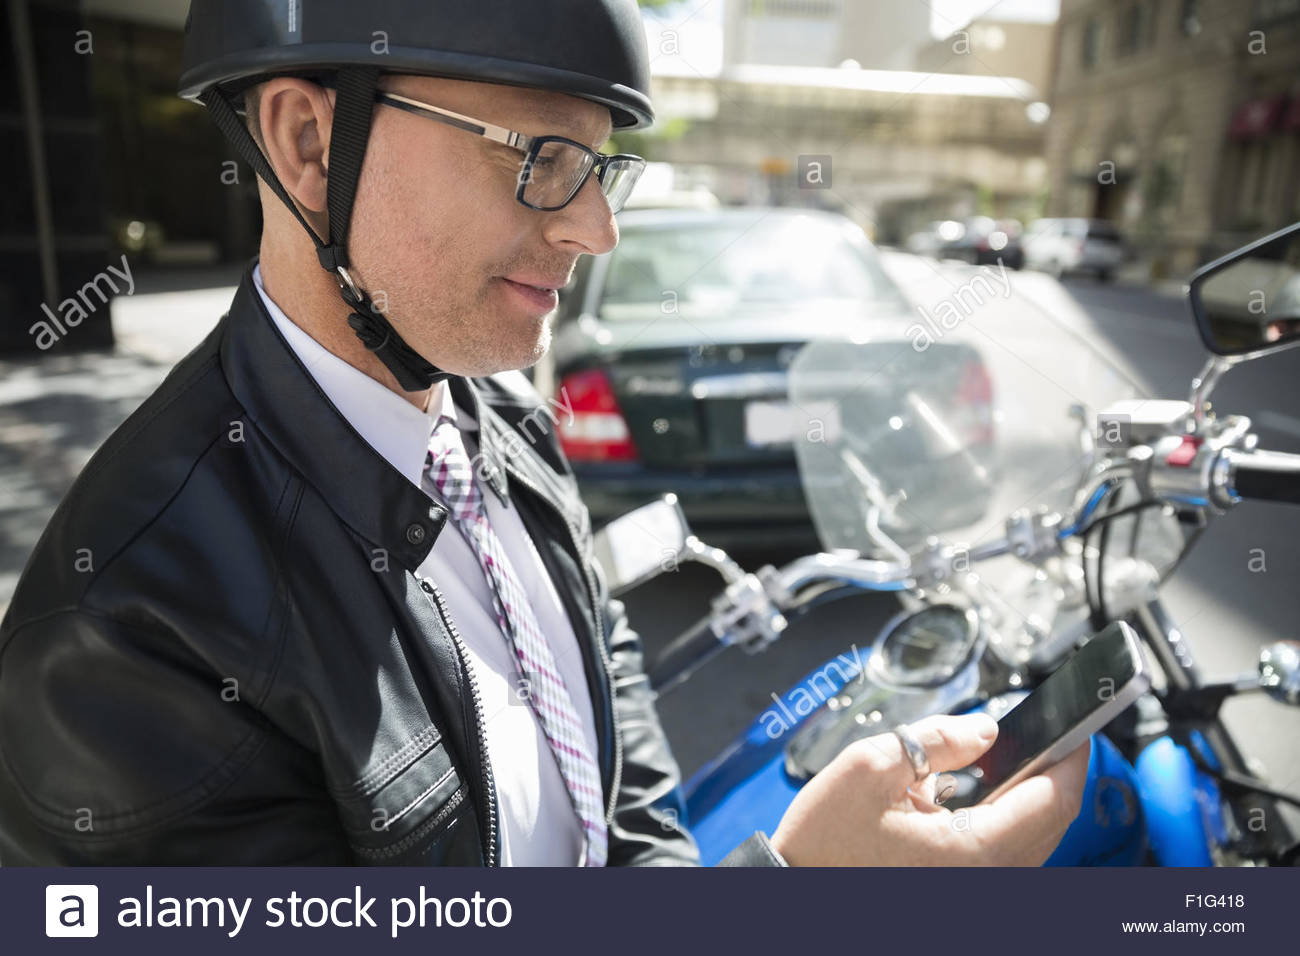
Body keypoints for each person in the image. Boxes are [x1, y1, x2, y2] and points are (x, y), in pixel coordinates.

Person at [0, 0, 1087, 866]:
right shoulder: (130, 637)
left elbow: (611, 754)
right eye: (542, 157)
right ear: (308, 142)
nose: (596, 228)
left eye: (601, 165)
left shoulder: (498, 412)